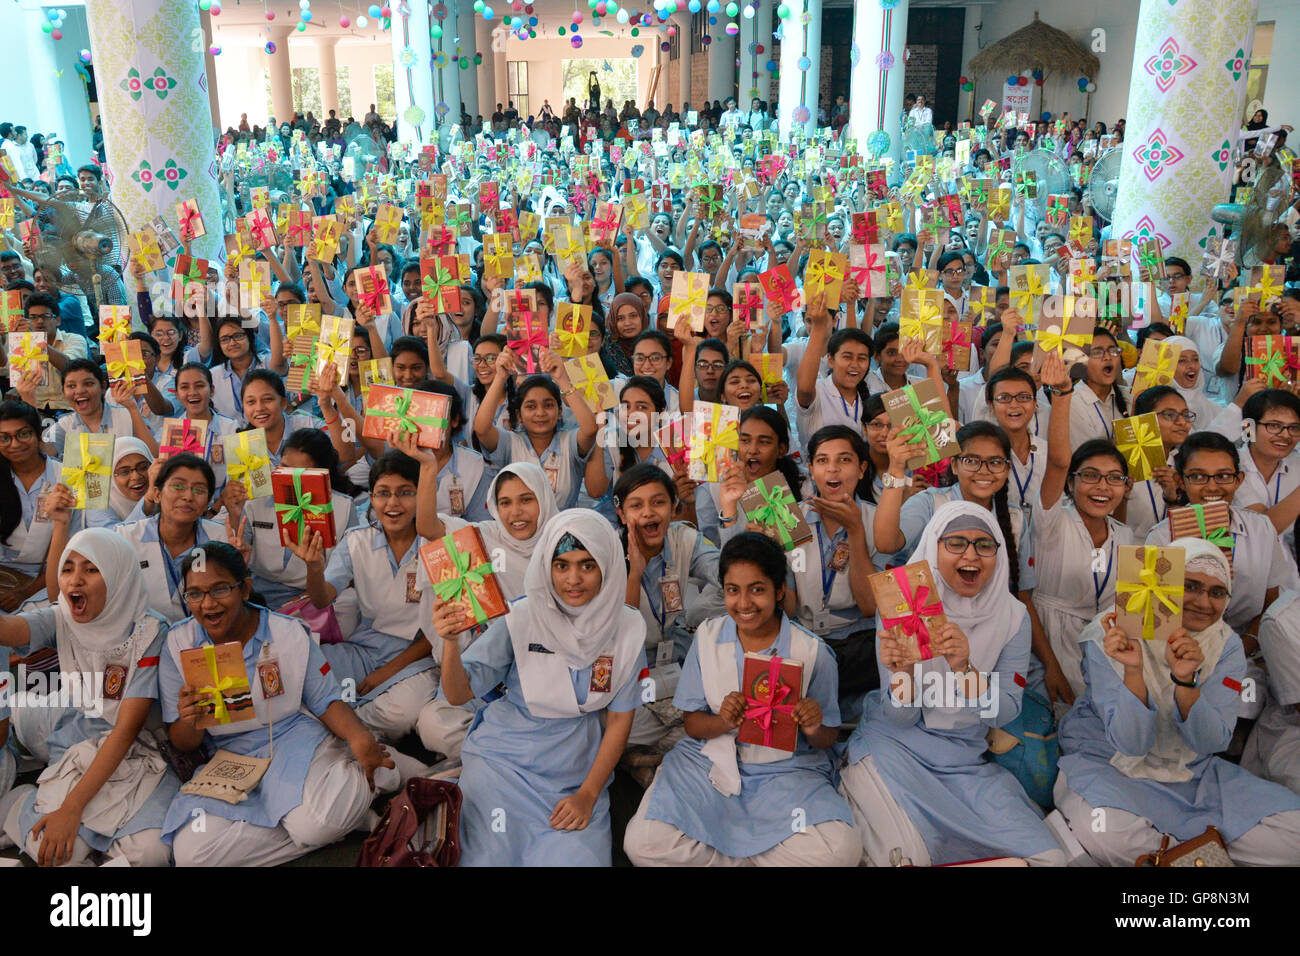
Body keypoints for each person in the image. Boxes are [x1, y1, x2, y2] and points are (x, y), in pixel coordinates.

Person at [839, 501, 1066, 866]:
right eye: (955, 543)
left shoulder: (1013, 618)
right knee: (905, 857)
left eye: (984, 545)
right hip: (899, 752)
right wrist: (905, 674)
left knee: (1049, 857)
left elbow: (1003, 712)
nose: (971, 555)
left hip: (965, 761)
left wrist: (965, 670)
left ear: (999, 553)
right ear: (933, 546)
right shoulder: (903, 605)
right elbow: (899, 718)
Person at [1054, 538, 1300, 865]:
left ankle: (1178, 854)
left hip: (1193, 772)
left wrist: (1186, 682)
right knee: (1105, 831)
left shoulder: (1225, 646)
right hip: (1110, 764)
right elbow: (1130, 742)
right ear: (1166, 586)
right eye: (1191, 586)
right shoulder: (1110, 634)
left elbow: (1211, 741)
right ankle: (1202, 853)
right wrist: (1134, 670)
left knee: (1292, 833)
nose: (1203, 602)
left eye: (1217, 592)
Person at [623, 531, 858, 866]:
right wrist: (723, 721)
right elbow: (692, 723)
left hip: (786, 772)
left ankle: (723, 855)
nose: (744, 604)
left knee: (840, 852)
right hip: (712, 763)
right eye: (733, 590)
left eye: (757, 589)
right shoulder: (707, 637)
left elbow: (827, 737)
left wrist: (812, 725)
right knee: (644, 843)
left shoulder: (813, 652)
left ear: (779, 591)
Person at [432, 511, 645, 866]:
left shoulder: (626, 628)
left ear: (607, 565)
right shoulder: (521, 617)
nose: (573, 580)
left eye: (587, 566)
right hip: (503, 763)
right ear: (546, 566)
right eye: (561, 566)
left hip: (573, 772)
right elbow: (457, 694)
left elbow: (620, 721)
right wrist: (450, 643)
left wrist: (588, 794)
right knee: (485, 857)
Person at [161, 542, 394, 867]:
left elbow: (326, 699)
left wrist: (359, 738)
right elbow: (183, 741)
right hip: (231, 759)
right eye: (195, 594)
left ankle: (351, 791)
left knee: (315, 823)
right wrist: (190, 720)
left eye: (220, 589)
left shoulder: (288, 634)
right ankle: (339, 820)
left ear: (245, 589)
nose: (208, 604)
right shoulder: (178, 643)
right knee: (191, 855)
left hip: (292, 740)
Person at [0, 528, 177, 867]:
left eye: (91, 569)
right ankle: (19, 804)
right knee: (57, 855)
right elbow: (10, 630)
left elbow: (126, 730)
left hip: (142, 750)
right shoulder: (62, 616)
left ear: (119, 574)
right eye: (67, 569)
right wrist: (68, 813)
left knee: (153, 854)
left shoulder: (150, 632)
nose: (75, 581)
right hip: (75, 741)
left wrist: (71, 809)